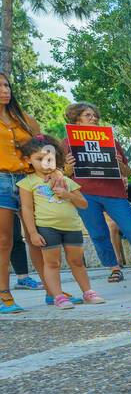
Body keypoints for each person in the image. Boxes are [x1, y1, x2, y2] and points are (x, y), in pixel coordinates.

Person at [61, 102, 131, 283]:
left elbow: (128, 172)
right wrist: (68, 167)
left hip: (113, 192)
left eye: (95, 116)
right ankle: (114, 268)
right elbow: (63, 174)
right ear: (76, 119)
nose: (94, 119)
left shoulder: (110, 140)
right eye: (88, 115)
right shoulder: (67, 143)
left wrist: (119, 163)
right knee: (98, 233)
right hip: (85, 194)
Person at [18, 137, 106, 308]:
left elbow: (83, 203)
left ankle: (88, 292)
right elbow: (27, 209)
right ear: (28, 160)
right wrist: (33, 233)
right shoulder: (27, 183)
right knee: (52, 263)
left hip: (71, 226)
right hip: (46, 227)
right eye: (39, 159)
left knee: (77, 261)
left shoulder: (65, 180)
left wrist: (68, 195)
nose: (45, 163)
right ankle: (58, 296)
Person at [0, 71, 42, 313]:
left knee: (37, 236)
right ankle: (4, 294)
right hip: (2, 180)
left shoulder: (23, 118)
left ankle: (52, 291)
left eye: (6, 85)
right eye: (0, 86)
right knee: (4, 241)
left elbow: (40, 144)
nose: (5, 89)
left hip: (28, 180)